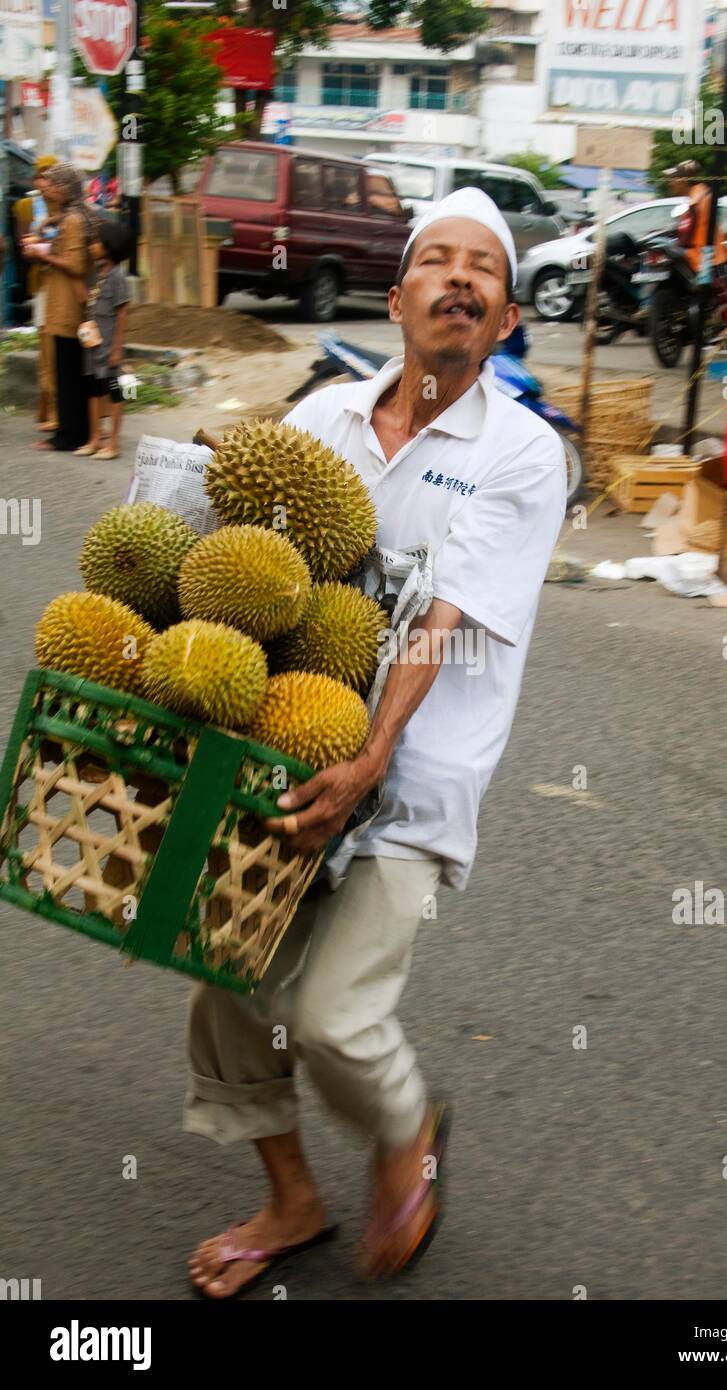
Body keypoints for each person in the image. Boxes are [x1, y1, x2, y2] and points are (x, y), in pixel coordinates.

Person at [185, 186, 567, 1297]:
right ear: (394, 296)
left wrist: (369, 758)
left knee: (329, 1011)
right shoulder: (319, 424)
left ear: (503, 318)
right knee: (216, 972)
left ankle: (405, 1133)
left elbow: (442, 613)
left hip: (416, 775)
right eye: (436, 261)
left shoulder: (523, 453)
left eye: (483, 269)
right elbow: (244, 568)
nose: (458, 278)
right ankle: (292, 1194)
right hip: (286, 743)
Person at [24, 164, 94, 453]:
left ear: (66, 188)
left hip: (68, 304)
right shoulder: (70, 217)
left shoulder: (75, 220)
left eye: (53, 184)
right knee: (65, 369)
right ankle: (69, 432)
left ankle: (70, 435)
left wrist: (47, 255)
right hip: (60, 300)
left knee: (68, 370)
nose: (47, 188)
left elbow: (76, 264)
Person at [77, 221, 130, 460]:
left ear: (110, 246)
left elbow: (122, 314)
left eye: (97, 242)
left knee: (116, 393)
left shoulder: (118, 277)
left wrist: (118, 348)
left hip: (109, 347)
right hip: (92, 346)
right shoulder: (97, 274)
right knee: (92, 391)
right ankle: (95, 439)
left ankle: (114, 444)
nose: (92, 246)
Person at [14, 154, 59, 430]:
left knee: (57, 348)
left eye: (52, 175)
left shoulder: (69, 207)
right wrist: (37, 245)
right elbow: (24, 249)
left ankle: (50, 406)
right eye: (43, 175)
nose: (47, 181)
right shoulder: (27, 207)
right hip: (43, 281)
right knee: (46, 346)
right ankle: (48, 404)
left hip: (64, 279)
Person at [665, 159, 727, 274]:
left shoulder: (696, 201)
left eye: (672, 179)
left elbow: (684, 235)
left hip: (704, 263)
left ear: (682, 181)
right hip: (712, 260)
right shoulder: (702, 194)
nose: (669, 183)